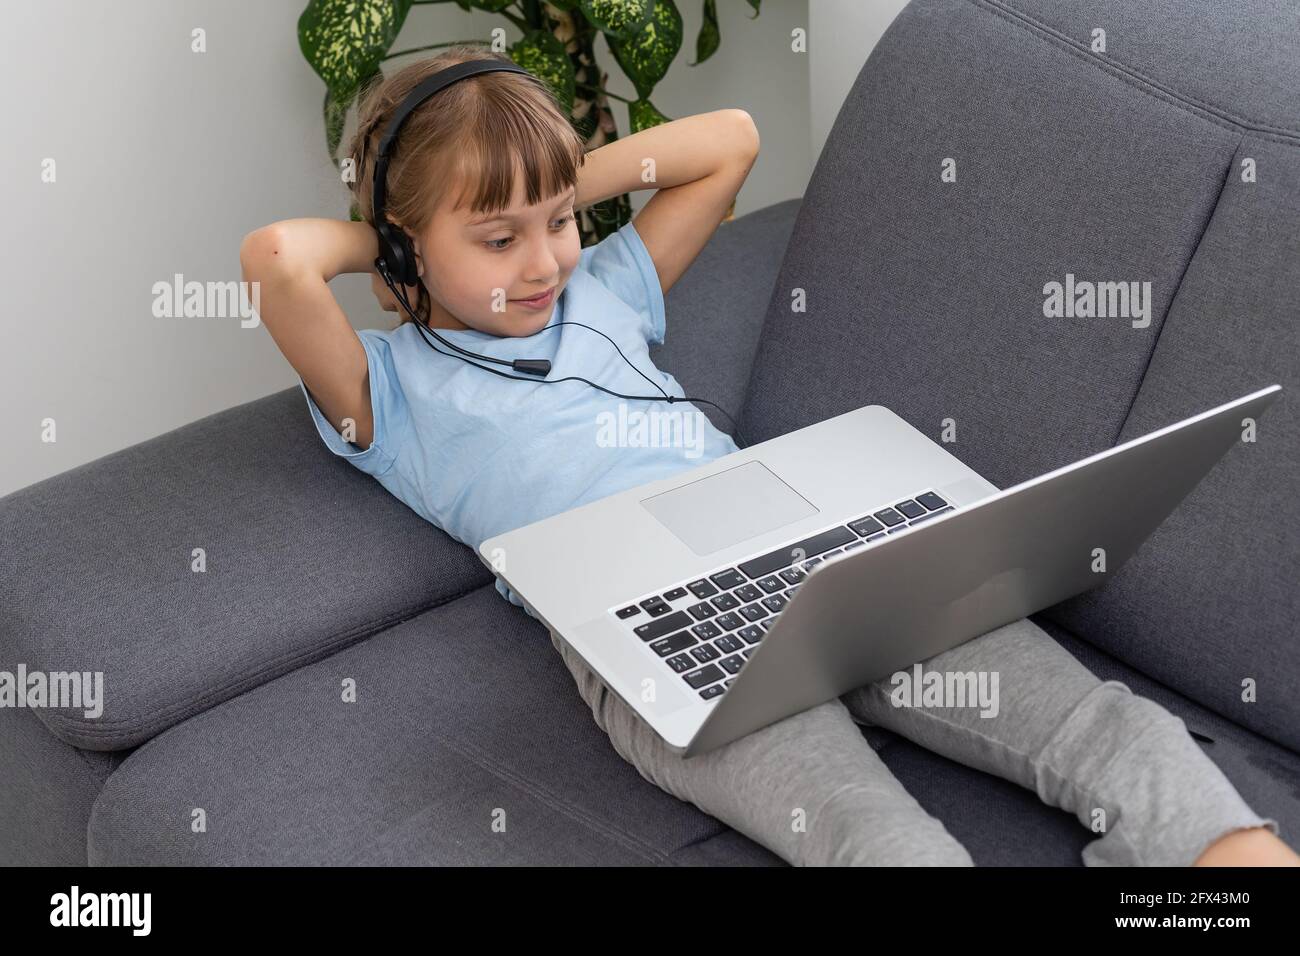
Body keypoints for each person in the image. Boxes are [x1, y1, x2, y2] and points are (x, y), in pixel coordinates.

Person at [240, 46, 1296, 867]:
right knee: (860, 829)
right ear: (401, 246)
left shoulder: (603, 289)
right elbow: (280, 261)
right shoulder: (390, 391)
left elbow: (728, 143)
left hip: (802, 545)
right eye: (497, 239)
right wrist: (395, 237)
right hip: (653, 630)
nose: (543, 262)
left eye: (558, 222)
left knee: (1095, 725)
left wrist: (541, 183)